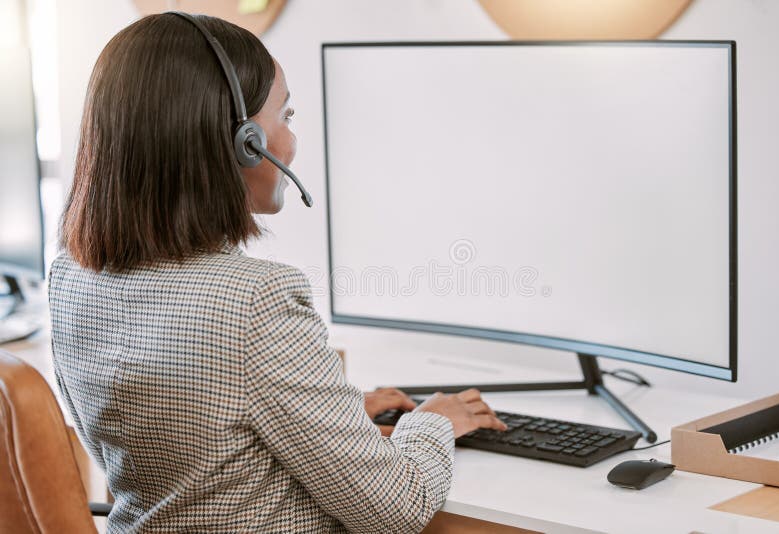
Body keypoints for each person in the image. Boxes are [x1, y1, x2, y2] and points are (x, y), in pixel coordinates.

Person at [49, 13, 506, 534]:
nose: (291, 139)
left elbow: (170, 447)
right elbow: (395, 509)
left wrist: (336, 413)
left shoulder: (70, 276)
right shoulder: (255, 299)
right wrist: (431, 423)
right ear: (244, 142)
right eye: (285, 117)